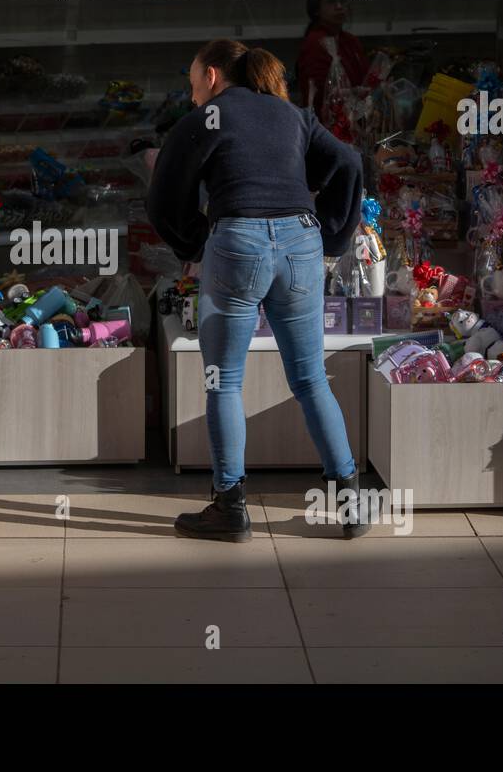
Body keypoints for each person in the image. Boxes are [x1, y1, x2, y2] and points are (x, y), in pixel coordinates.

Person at [148, 39, 368, 540]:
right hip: (302, 246)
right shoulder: (291, 114)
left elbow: (162, 194)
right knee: (311, 377)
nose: (191, 97)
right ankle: (351, 500)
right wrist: (331, 232)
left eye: (191, 83)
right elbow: (350, 162)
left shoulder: (209, 118)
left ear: (211, 78)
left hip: (238, 241)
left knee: (223, 380)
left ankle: (230, 507)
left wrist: (195, 239)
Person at [295, 0, 368, 111]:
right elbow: (318, 94)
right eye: (331, 1)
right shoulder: (315, 43)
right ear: (316, 10)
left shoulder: (351, 41)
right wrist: (353, 93)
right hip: (326, 122)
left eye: (343, 0)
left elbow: (365, 78)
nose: (339, 6)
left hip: (354, 118)